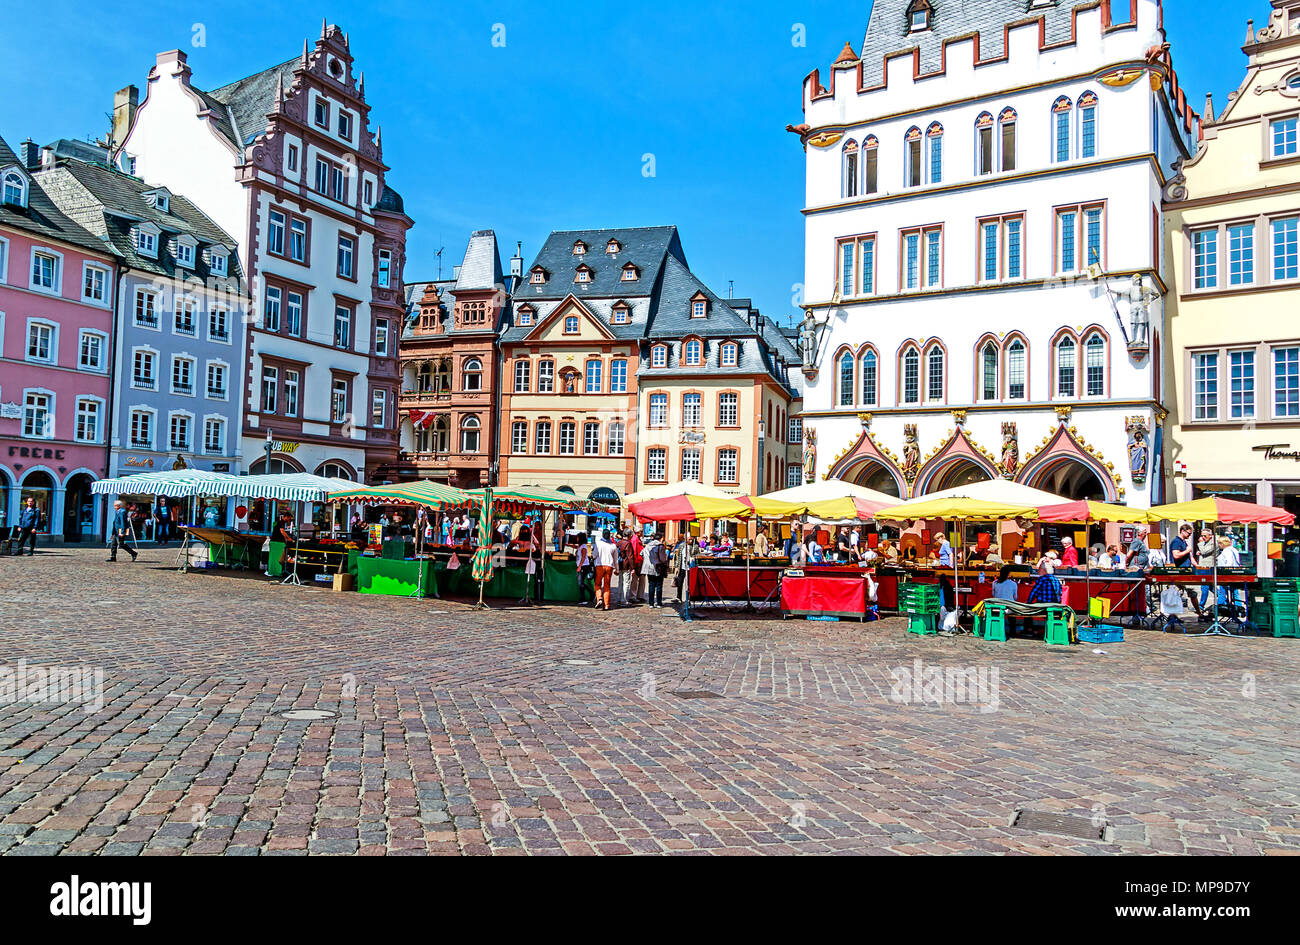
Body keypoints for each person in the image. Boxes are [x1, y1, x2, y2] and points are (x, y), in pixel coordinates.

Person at [592, 528, 619, 611]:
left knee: (597, 584)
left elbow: (594, 555)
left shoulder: (598, 543)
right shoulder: (613, 545)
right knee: (607, 585)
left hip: (599, 565)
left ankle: (599, 598)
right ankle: (607, 604)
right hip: (609, 566)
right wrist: (617, 569)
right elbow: (616, 559)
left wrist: (592, 556)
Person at [641, 530, 668, 608]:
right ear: (661, 538)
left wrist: (647, 560)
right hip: (657, 567)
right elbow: (662, 558)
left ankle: (651, 603)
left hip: (649, 567)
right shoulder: (660, 546)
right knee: (659, 585)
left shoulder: (648, 545)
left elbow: (641, 553)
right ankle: (659, 603)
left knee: (651, 585)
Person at [1195, 528, 1217, 617]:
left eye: (1205, 536)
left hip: (1208, 568)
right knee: (1211, 588)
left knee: (1205, 586)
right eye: (1202, 536)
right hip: (1203, 568)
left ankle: (1201, 605)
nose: (1203, 537)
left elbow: (1204, 551)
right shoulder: (1206, 543)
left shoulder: (1213, 543)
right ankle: (1223, 599)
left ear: (1210, 536)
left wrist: (1200, 543)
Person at [672, 534, 697, 602]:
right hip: (682, 566)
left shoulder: (694, 546)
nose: (691, 541)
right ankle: (678, 597)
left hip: (690, 567)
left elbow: (696, 554)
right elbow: (679, 557)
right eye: (689, 539)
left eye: (691, 539)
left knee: (690, 583)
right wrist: (677, 566)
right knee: (680, 582)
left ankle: (689, 597)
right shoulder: (681, 546)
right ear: (686, 539)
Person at [616, 529, 636, 606]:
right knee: (626, 583)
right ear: (629, 535)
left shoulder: (619, 542)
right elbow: (630, 557)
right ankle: (624, 599)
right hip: (626, 565)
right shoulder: (628, 544)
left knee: (620, 582)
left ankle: (619, 598)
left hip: (619, 564)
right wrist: (633, 567)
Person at [575, 533, 594, 605]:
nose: (576, 539)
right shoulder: (580, 546)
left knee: (580, 583)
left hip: (584, 566)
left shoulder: (583, 547)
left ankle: (586, 596)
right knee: (581, 582)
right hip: (582, 565)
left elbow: (583, 557)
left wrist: (579, 566)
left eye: (577, 537)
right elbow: (575, 546)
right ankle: (585, 596)